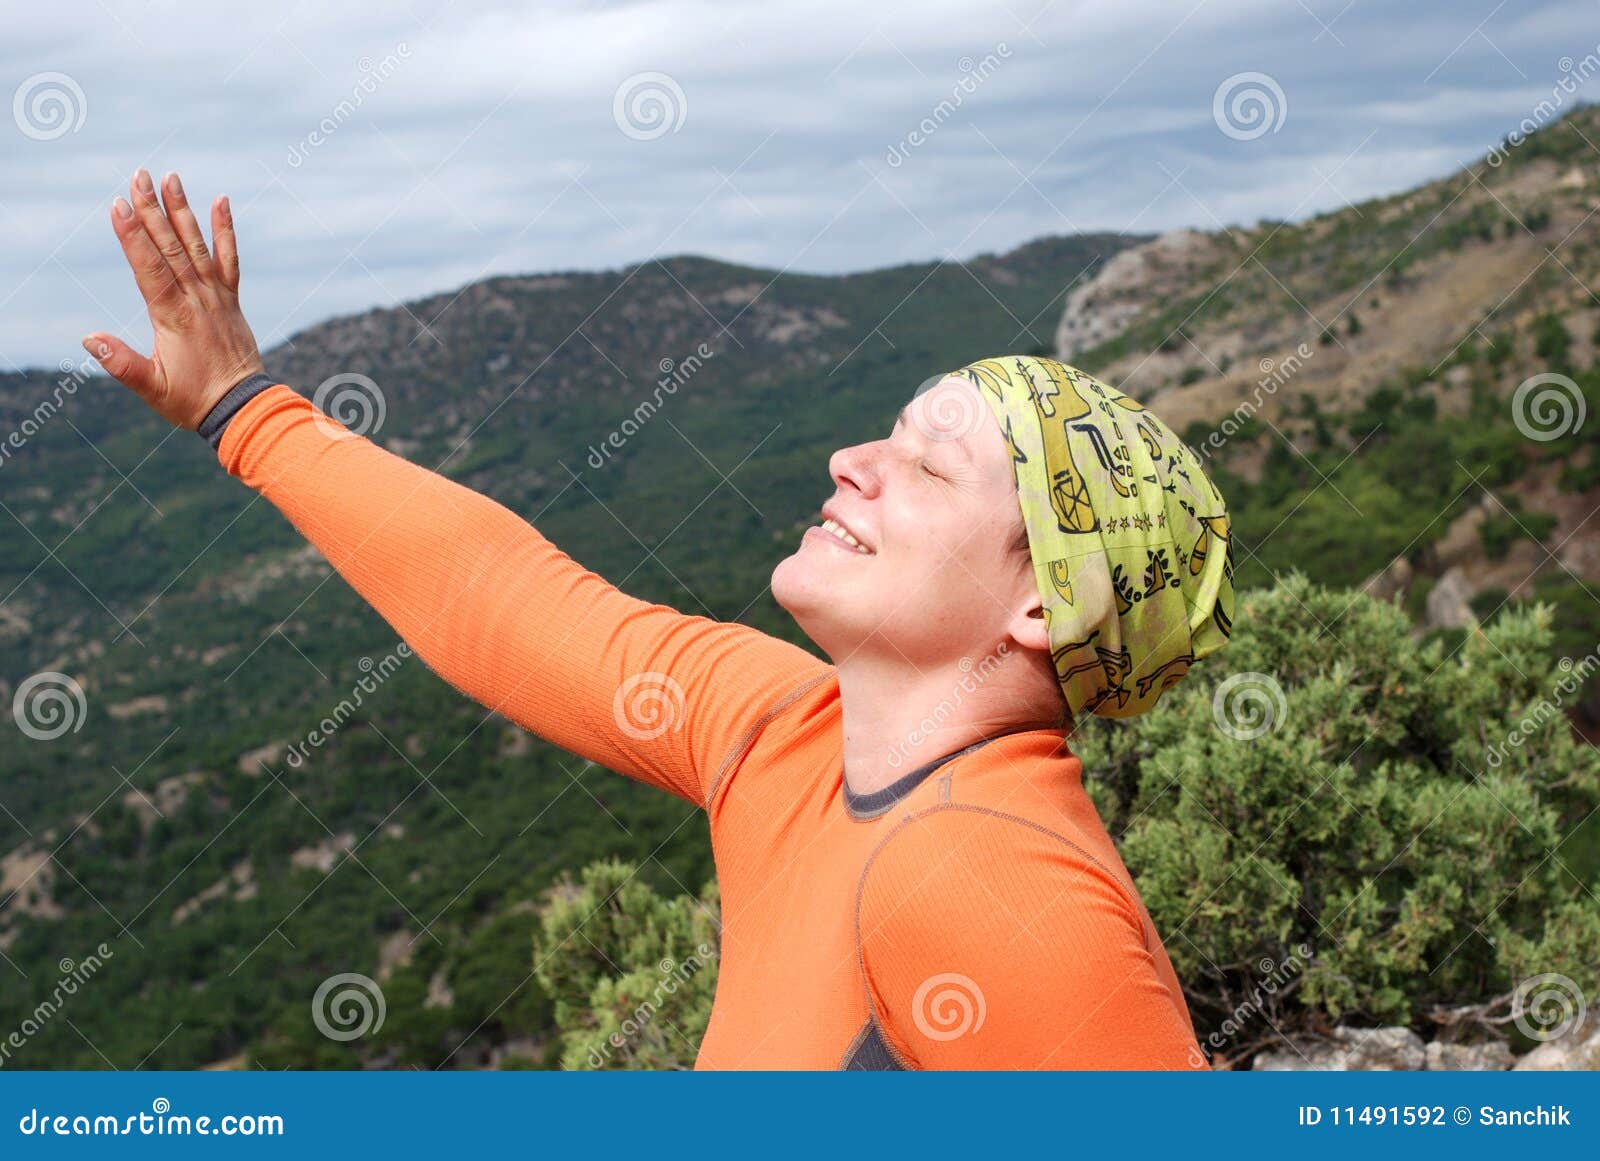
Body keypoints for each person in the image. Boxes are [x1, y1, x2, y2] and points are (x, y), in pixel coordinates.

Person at [86, 168, 1235, 1070]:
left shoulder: (988, 882)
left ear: (1046, 602)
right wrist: (246, 408)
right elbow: (506, 599)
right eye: (881, 433)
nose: (850, 462)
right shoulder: (789, 736)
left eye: (929, 470)